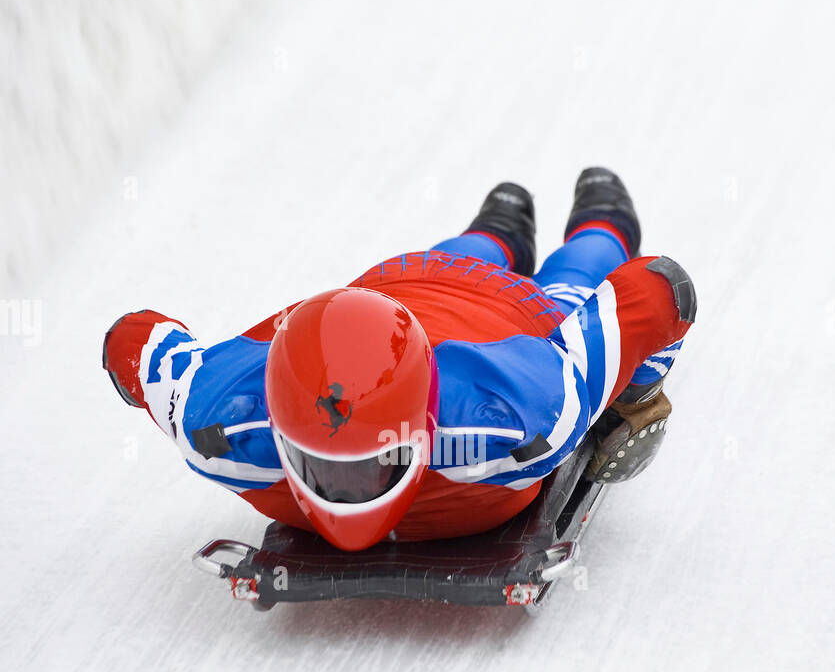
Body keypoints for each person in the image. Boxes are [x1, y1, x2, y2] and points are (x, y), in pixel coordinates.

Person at [103, 168, 696, 550]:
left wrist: (631, 393)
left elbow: (660, 291)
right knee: (510, 265)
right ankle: (506, 219)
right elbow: (662, 292)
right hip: (393, 290)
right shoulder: (223, 423)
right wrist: (631, 397)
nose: (346, 492)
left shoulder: (517, 415)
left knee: (577, 277)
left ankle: (583, 218)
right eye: (324, 467)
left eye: (376, 463)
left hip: (508, 317)